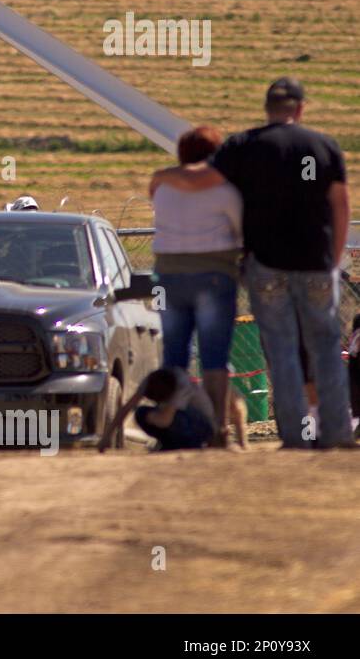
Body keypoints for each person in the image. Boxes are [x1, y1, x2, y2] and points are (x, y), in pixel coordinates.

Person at [150, 78, 354, 449]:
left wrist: (166, 176)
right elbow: (340, 204)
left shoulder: (245, 145)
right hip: (317, 264)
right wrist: (332, 259)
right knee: (325, 347)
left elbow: (204, 178)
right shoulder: (323, 146)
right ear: (301, 109)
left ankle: (294, 436)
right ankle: (337, 434)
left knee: (282, 350)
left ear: (267, 109)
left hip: (267, 266)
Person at [149, 126, 246, 447]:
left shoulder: (163, 189)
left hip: (169, 276)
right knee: (214, 359)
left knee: (174, 357)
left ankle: (174, 429)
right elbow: (239, 232)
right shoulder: (226, 192)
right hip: (214, 276)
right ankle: (218, 430)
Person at [103, 366, 215, 452]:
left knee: (174, 418)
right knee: (140, 413)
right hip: (172, 416)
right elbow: (127, 407)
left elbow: (165, 421)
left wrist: (152, 417)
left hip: (201, 425)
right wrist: (107, 436)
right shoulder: (149, 381)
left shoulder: (181, 385)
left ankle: (188, 445)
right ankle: (169, 445)